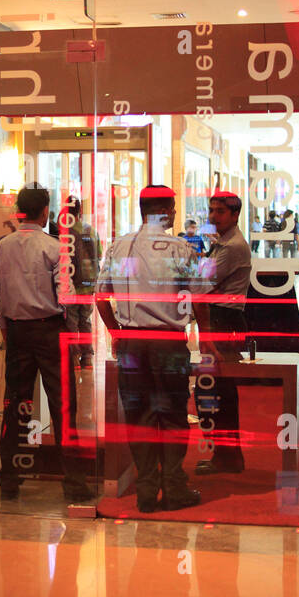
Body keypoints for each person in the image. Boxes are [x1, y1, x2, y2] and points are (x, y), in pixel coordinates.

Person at [96, 185, 205, 513]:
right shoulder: (180, 249)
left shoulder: (119, 246)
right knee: (171, 415)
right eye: (171, 208)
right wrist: (207, 335)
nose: (173, 214)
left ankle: (146, 490)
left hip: (131, 342)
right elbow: (197, 298)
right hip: (168, 343)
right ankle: (173, 487)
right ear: (164, 210)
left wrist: (117, 332)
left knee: (139, 416)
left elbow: (101, 297)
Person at [0, 184, 90, 502]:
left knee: (16, 404)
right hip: (50, 331)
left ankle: (9, 477)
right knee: (63, 405)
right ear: (45, 212)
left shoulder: (1, 247)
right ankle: (73, 482)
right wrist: (73, 335)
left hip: (19, 333)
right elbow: (67, 296)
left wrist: (6, 329)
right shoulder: (53, 247)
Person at [194, 191, 251, 475]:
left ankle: (228, 457)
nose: (212, 216)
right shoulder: (223, 243)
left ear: (234, 215)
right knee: (215, 392)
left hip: (223, 322)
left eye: (219, 212)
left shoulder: (232, 247)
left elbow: (201, 282)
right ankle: (225, 456)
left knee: (219, 393)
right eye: (211, 210)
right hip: (219, 320)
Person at [56, 196, 99, 371]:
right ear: (80, 211)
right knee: (86, 320)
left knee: (71, 321)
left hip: (70, 283)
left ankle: (74, 358)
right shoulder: (90, 230)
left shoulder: (63, 232)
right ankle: (87, 358)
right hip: (88, 284)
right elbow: (99, 255)